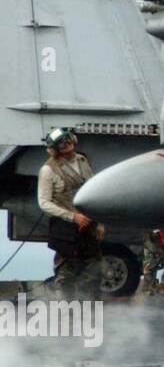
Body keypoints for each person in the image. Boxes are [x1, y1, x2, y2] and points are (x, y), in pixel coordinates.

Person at [36, 127, 107, 301]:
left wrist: (99, 222)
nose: (66, 143)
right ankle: (66, 311)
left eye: (67, 139)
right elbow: (44, 203)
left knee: (95, 271)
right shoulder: (48, 170)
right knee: (65, 276)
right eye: (60, 142)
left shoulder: (82, 160)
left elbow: (94, 191)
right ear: (54, 148)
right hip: (65, 229)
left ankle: (90, 309)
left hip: (88, 225)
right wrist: (73, 216)